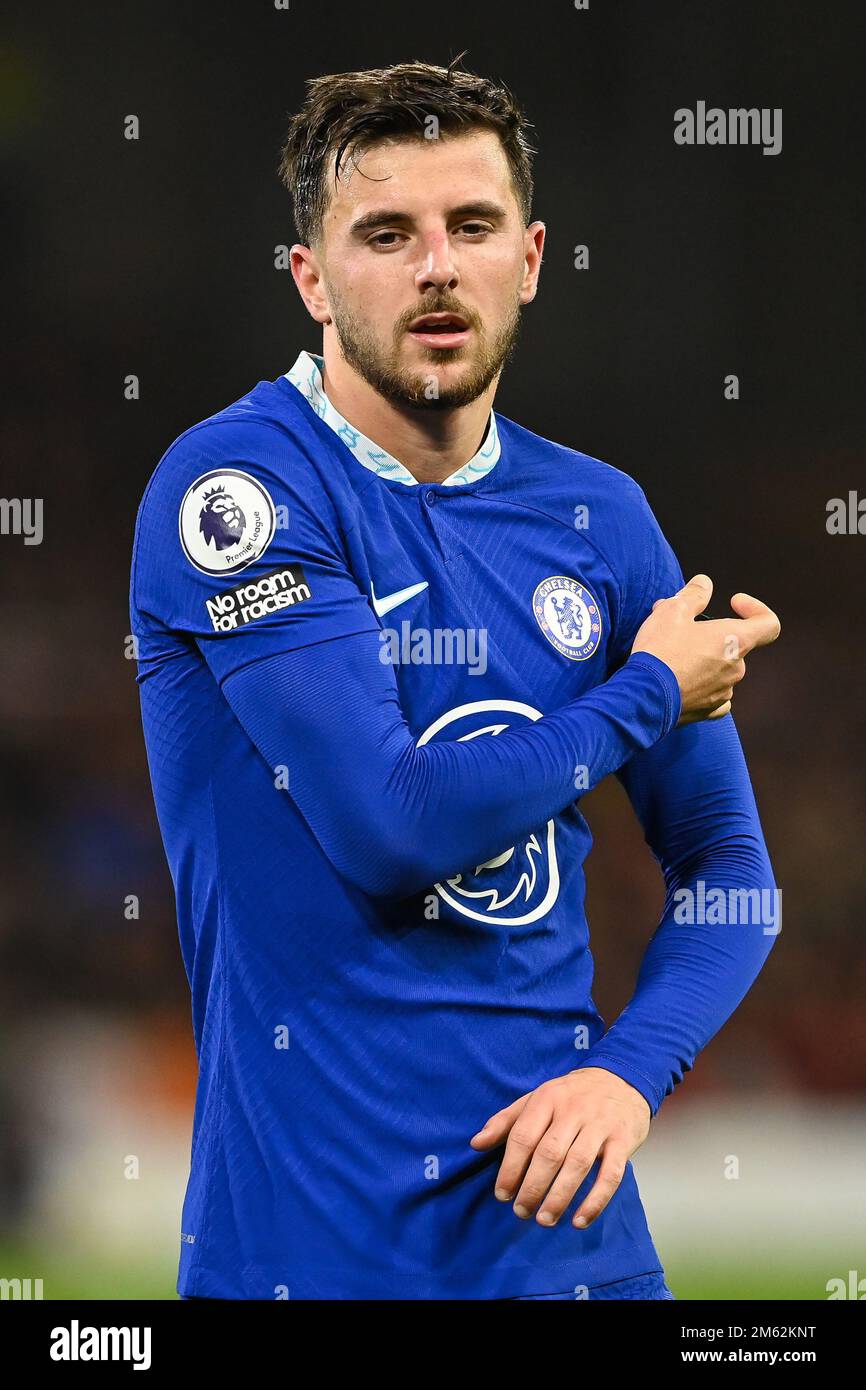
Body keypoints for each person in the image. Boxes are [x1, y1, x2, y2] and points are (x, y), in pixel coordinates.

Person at [130, 58, 780, 1300]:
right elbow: (390, 826)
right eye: (386, 234)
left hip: (571, 1256)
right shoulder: (237, 488)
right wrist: (647, 691)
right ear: (309, 279)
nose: (436, 266)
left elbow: (727, 870)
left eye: (470, 226)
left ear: (527, 260)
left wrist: (625, 1073)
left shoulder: (598, 515)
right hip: (312, 1255)